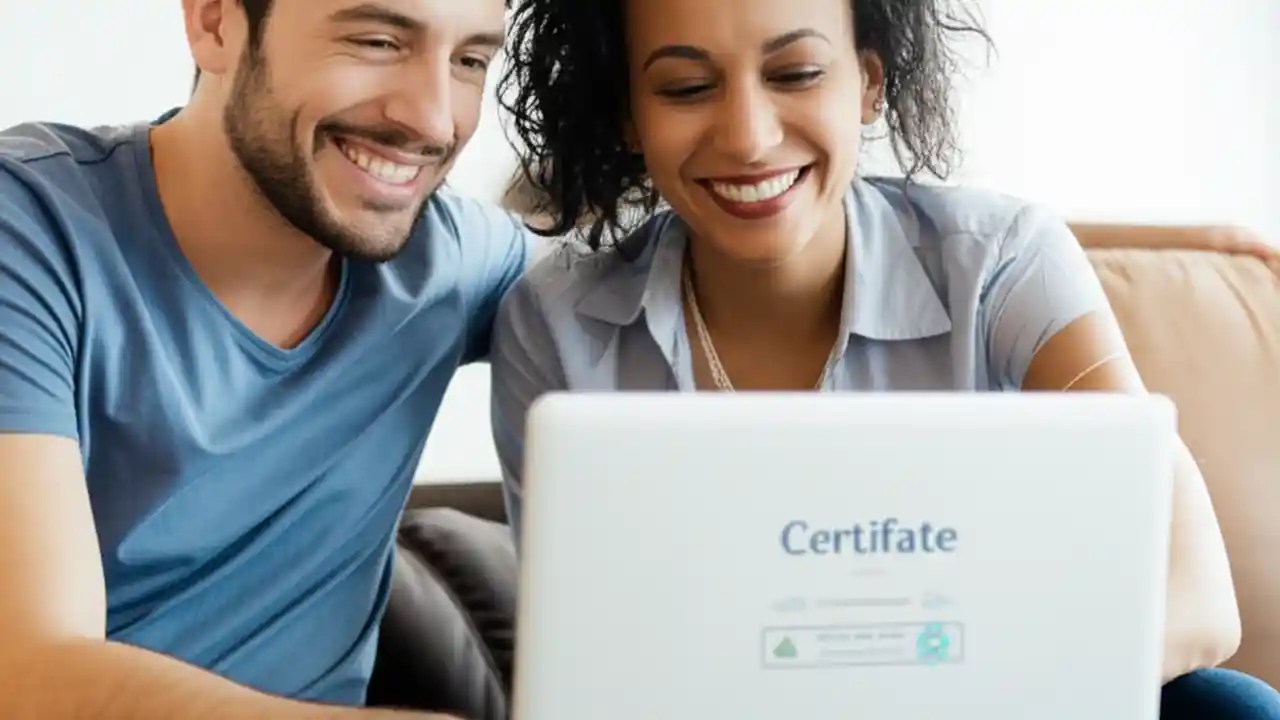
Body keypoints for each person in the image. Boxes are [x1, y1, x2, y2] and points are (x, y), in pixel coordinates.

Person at [489, 0, 1280, 715]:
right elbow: (593, 673)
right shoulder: (554, 326)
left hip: (1010, 704)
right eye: (686, 88)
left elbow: (1200, 597)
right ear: (627, 113)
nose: (749, 136)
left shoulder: (1002, 263)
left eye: (795, 73)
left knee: (1226, 707)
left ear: (868, 83)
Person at [0, 0, 531, 717]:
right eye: (377, 41)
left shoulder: (454, 266)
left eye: (469, 60)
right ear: (215, 22)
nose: (434, 120)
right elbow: (29, 673)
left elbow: (685, 302)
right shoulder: (30, 234)